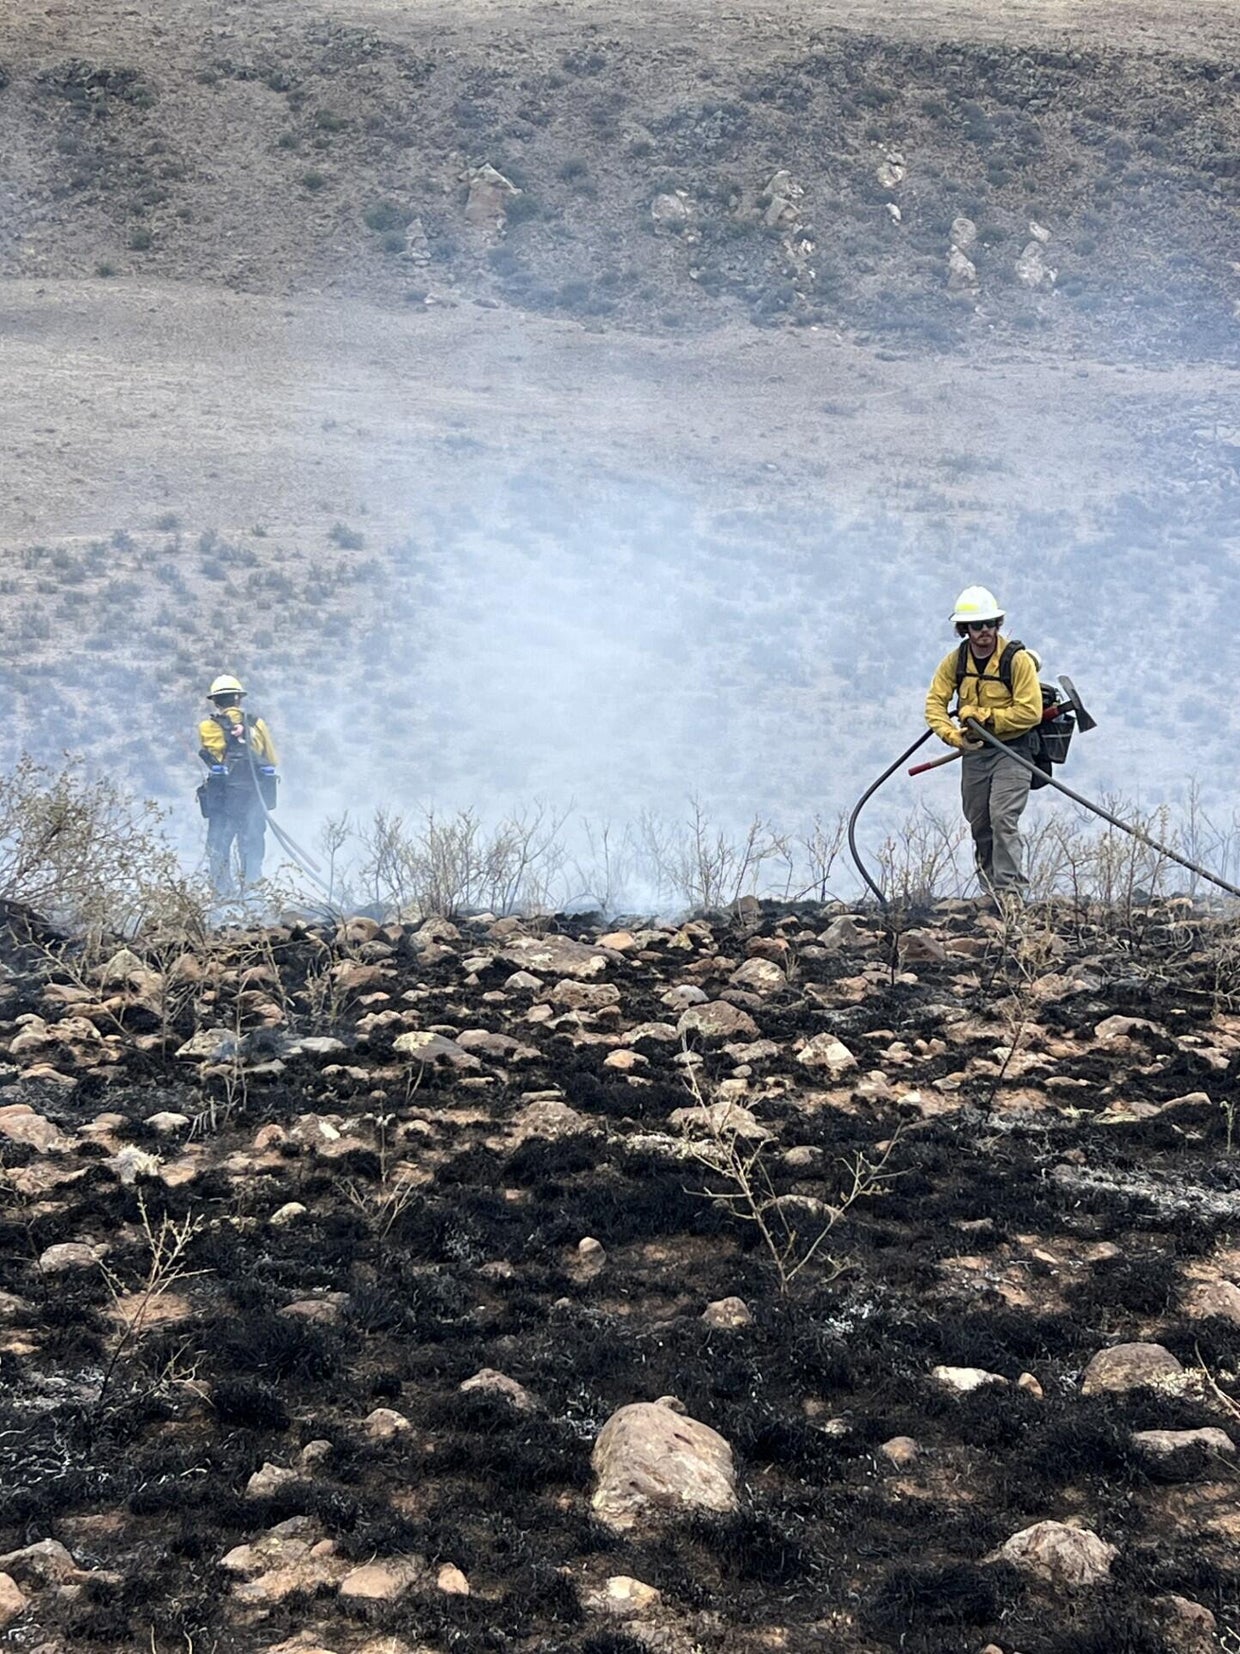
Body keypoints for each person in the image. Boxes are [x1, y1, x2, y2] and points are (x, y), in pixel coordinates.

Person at [925, 587, 1042, 903]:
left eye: (990, 624)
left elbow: (1031, 711)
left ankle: (1010, 895)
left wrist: (985, 716)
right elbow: (935, 704)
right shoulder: (955, 662)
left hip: (1013, 752)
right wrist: (952, 735)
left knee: (1003, 817)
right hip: (975, 754)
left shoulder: (1016, 661)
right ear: (965, 629)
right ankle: (989, 894)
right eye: (977, 626)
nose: (985, 632)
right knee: (980, 822)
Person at [196, 675, 279, 897]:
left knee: (218, 851)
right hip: (253, 799)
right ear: (238, 699)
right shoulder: (257, 724)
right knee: (252, 849)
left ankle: (222, 901)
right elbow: (271, 759)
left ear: (216, 702)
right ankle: (253, 898)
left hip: (222, 802)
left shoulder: (206, 727)